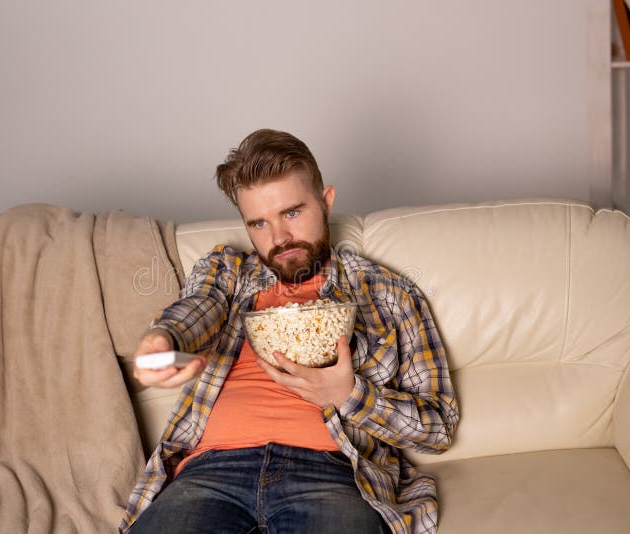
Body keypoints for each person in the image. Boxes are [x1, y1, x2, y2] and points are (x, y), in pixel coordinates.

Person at [120, 129, 459, 534]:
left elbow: (438, 428)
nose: (279, 239)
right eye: (259, 223)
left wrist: (348, 395)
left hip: (331, 475)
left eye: (292, 213)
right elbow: (198, 308)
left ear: (326, 201)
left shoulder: (388, 294)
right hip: (210, 473)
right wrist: (164, 339)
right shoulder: (228, 271)